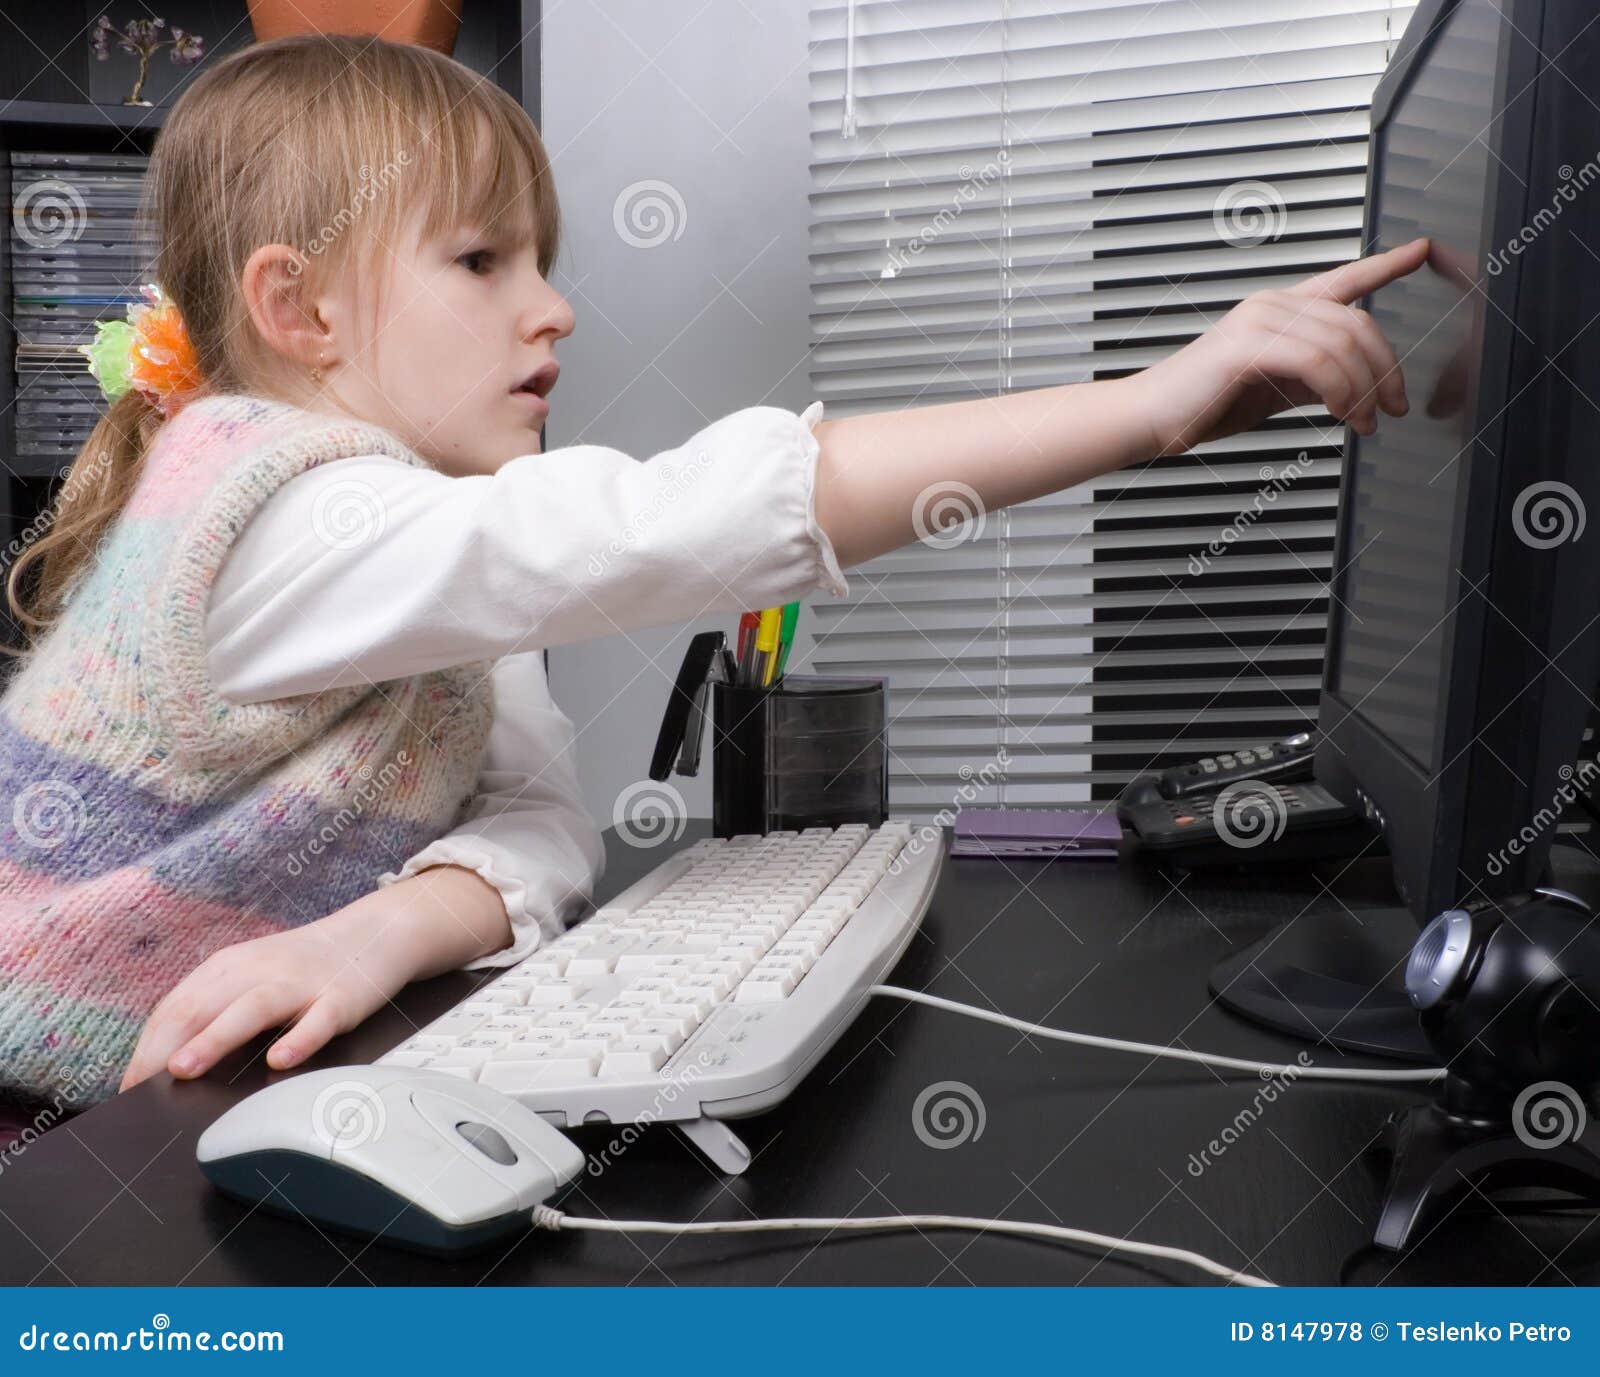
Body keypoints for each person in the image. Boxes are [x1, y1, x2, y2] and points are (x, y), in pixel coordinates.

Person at [0, 34, 1426, 1113]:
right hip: (42, 1112)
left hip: (170, 1094)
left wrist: (381, 931)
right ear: (296, 307)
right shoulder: (272, 520)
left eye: (541, 261)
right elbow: (653, 521)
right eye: (483, 260)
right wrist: (1149, 407)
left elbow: (548, 825)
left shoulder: (434, 551)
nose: (552, 306)